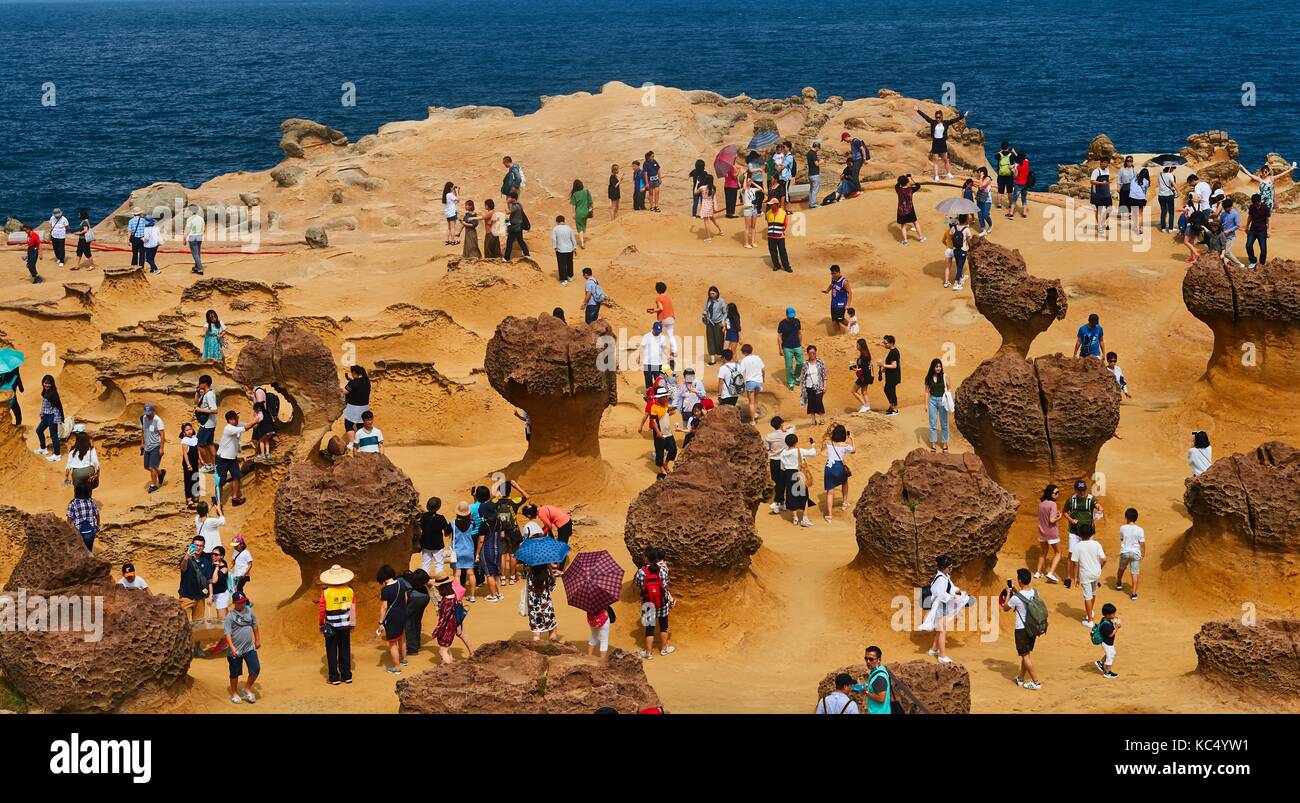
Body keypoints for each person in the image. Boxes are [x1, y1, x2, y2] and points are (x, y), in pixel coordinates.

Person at [1000, 568, 1043, 690]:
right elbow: (1024, 598)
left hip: (1021, 629)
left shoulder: (1015, 598)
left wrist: (1009, 592)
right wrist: (1015, 590)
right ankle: (1020, 678)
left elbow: (1006, 607)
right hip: (1033, 628)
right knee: (1026, 653)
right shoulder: (1035, 592)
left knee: (1025, 656)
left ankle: (1036, 682)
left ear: (1019, 580)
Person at [922, 555, 966, 663]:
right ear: (943, 567)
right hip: (940, 605)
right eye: (949, 567)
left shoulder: (945, 576)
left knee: (940, 628)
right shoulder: (941, 579)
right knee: (942, 630)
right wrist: (953, 596)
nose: (951, 569)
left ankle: (933, 650)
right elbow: (940, 594)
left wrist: (956, 591)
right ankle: (942, 656)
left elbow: (950, 587)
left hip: (943, 605)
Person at [317, 564, 355, 685]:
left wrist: (321, 623)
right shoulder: (350, 590)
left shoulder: (326, 592)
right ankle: (346, 675)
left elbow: (322, 609)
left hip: (331, 626)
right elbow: (353, 609)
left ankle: (334, 677)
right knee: (345, 650)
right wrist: (352, 624)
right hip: (345, 625)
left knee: (331, 651)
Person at [1062, 478, 1101, 589]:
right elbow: (1065, 512)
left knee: (1092, 554)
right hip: (1074, 531)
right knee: (1071, 554)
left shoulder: (1091, 499)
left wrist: (1099, 509)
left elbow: (1098, 505)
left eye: (1083, 490)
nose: (1082, 492)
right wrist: (1070, 520)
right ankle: (1068, 578)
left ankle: (1094, 578)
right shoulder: (1071, 500)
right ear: (1075, 490)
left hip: (1088, 532)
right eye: (1080, 490)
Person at [635, 548, 673, 658]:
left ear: (647, 558)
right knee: (664, 626)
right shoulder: (662, 570)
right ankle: (664, 650)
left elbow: (639, 585)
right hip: (662, 602)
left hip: (648, 603)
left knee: (649, 628)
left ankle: (648, 653)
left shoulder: (641, 571)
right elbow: (666, 585)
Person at [224, 591, 260, 704]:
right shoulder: (230, 616)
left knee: (255, 669)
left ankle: (246, 688)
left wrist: (257, 639)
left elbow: (255, 625)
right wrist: (232, 648)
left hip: (249, 648)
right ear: (234, 603)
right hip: (235, 651)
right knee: (235, 673)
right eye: (239, 603)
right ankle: (234, 693)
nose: (242, 604)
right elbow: (227, 634)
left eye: (243, 602)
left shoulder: (249, 611)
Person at [780, 433, 818, 527]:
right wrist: (813, 446)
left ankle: (795, 518)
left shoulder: (783, 453)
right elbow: (812, 453)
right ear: (796, 442)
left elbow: (783, 467)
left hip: (789, 475)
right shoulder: (798, 450)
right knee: (803, 495)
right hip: (799, 474)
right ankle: (804, 518)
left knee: (791, 495)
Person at [376, 565, 409, 674]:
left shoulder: (385, 590)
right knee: (402, 636)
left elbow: (384, 607)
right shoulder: (401, 583)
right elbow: (405, 599)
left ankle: (396, 667)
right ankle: (404, 659)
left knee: (392, 642)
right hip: (403, 614)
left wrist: (381, 622)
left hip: (392, 618)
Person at [916, 108, 965, 179]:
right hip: (935, 143)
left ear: (941, 117)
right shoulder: (933, 122)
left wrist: (963, 116)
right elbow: (925, 116)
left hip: (942, 143)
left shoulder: (945, 123)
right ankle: (936, 176)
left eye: (939, 117)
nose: (937, 119)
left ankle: (948, 173)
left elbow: (955, 120)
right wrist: (918, 110)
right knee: (935, 160)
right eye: (936, 117)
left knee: (946, 159)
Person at [1075, 522, 1106, 628]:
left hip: (1085, 575)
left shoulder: (1078, 546)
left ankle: (1090, 620)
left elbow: (1075, 563)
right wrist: (1100, 568)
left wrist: (1076, 577)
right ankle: (1090, 612)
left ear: (1080, 534)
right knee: (1093, 593)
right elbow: (1104, 559)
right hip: (1096, 573)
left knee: (1087, 597)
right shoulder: (1096, 544)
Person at [177, 534, 213, 622]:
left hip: (200, 598)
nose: (198, 548)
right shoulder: (186, 558)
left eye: (201, 546)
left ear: (203, 547)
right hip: (186, 596)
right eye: (196, 545)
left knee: (199, 625)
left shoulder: (206, 561)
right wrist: (186, 556)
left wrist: (211, 595)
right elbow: (183, 568)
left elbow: (209, 579)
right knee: (183, 623)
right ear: (192, 545)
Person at [823, 424, 854, 522]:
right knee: (844, 482)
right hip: (839, 467)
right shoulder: (845, 445)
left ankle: (829, 516)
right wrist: (852, 439)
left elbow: (825, 437)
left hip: (828, 468)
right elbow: (854, 451)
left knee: (830, 493)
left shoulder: (828, 442)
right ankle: (844, 503)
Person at [215, 410, 246, 505]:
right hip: (222, 459)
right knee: (220, 481)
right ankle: (218, 502)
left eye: (237, 418)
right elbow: (247, 427)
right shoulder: (228, 428)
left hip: (232, 459)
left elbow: (247, 425)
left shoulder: (237, 426)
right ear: (230, 420)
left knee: (237, 477)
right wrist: (255, 422)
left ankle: (235, 498)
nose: (237, 420)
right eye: (235, 418)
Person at [765, 417, 795, 513]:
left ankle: (781, 503)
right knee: (783, 482)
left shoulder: (769, 436)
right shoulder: (788, 433)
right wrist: (785, 427)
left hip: (774, 461)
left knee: (777, 482)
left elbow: (766, 449)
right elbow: (793, 426)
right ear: (781, 424)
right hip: (785, 461)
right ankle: (777, 503)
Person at [32, 374, 64, 462]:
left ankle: (57, 455)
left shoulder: (53, 394)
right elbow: (45, 404)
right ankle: (43, 448)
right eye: (45, 383)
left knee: (54, 436)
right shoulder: (45, 391)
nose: (46, 385)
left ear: (52, 384)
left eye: (48, 383)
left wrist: (58, 418)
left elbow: (58, 406)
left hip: (52, 416)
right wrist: (42, 413)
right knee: (39, 430)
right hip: (46, 416)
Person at [526, 563, 561, 643]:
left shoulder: (529, 575)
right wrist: (553, 575)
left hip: (534, 610)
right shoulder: (547, 574)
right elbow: (552, 588)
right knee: (552, 630)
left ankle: (536, 650)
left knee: (536, 633)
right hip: (547, 608)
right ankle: (553, 647)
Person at [1035, 485, 1063, 583]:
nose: (1057, 495)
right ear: (1050, 493)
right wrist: (1059, 517)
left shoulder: (1041, 504)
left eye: (1058, 492)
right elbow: (1051, 520)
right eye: (1056, 493)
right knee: (1058, 553)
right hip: (1051, 532)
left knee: (1043, 552)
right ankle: (1050, 573)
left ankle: (1038, 572)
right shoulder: (1053, 504)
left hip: (1042, 532)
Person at [450, 502, 477, 602]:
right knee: (471, 573)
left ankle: (458, 597)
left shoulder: (452, 523)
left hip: (457, 551)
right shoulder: (472, 523)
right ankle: (473, 595)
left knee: (457, 574)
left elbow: (447, 533)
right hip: (469, 550)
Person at [646, 282, 677, 367]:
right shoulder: (668, 297)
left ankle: (654, 348)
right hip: (671, 317)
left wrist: (653, 311)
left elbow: (661, 308)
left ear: (657, 290)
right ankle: (674, 350)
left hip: (663, 318)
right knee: (671, 335)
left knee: (656, 333)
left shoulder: (659, 298)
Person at [648, 386, 676, 477]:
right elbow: (653, 421)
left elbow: (666, 413)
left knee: (673, 449)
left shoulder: (666, 404)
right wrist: (658, 432)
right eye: (663, 397)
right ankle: (662, 470)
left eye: (665, 396)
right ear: (659, 398)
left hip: (667, 431)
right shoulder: (654, 407)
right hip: (659, 433)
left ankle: (666, 463)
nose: (665, 398)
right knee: (659, 451)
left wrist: (672, 411)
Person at [419, 497, 452, 574]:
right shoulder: (441, 518)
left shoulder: (423, 516)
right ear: (438, 507)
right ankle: (439, 581)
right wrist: (450, 527)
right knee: (439, 565)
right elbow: (446, 532)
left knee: (425, 564)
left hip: (425, 544)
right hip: (438, 545)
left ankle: (424, 582)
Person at [341, 364, 371, 450]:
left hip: (353, 407)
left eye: (352, 373)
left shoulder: (353, 382)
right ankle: (363, 444)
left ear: (354, 372)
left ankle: (351, 444)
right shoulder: (367, 382)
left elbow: (344, 392)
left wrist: (349, 383)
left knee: (349, 424)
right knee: (361, 426)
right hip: (364, 407)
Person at [924, 358, 951, 451]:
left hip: (942, 401)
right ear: (933, 367)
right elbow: (927, 391)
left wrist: (948, 399)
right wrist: (926, 404)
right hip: (932, 401)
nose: (938, 368)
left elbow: (949, 387)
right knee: (933, 423)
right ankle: (933, 444)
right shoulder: (928, 377)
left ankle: (945, 443)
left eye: (939, 366)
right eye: (936, 367)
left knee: (944, 423)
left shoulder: (944, 376)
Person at [403, 569, 431, 655]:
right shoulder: (421, 582)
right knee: (416, 620)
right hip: (425, 598)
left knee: (409, 623)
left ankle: (412, 649)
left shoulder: (409, 578)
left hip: (415, 599)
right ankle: (417, 644)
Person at [139, 403, 166, 493]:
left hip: (156, 446)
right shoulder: (144, 418)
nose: (148, 415)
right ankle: (160, 473)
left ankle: (153, 485)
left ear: (153, 411)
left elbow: (162, 435)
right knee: (147, 466)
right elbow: (143, 430)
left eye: (149, 413)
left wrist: (161, 448)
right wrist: (142, 443)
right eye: (147, 413)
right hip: (147, 446)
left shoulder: (158, 420)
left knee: (152, 467)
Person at [66, 481, 99, 550]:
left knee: (81, 551)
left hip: (79, 532)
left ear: (76, 492)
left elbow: (69, 520)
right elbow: (97, 516)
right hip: (91, 531)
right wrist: (97, 527)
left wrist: (68, 532)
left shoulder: (73, 503)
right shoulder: (91, 501)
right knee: (89, 550)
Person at [194, 375, 218, 472]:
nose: (199, 384)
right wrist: (197, 392)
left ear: (205, 384)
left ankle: (208, 465)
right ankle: (216, 465)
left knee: (200, 444)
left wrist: (200, 410)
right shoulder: (205, 393)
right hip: (208, 423)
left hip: (207, 424)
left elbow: (215, 410)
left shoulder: (210, 395)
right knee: (210, 444)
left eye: (200, 383)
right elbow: (196, 402)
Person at [858, 646, 891, 713]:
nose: (868, 661)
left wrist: (866, 692)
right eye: (866, 658)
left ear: (879, 660)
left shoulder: (879, 678)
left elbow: (881, 698)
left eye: (871, 659)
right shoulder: (879, 669)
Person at [778, 307, 805, 391]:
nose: (792, 318)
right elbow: (779, 337)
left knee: (801, 363)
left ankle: (796, 377)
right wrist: (780, 349)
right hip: (787, 347)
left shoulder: (797, 321)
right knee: (789, 366)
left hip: (797, 346)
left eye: (793, 316)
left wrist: (800, 344)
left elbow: (799, 333)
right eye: (790, 316)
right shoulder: (782, 323)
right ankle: (790, 381)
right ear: (787, 315)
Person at [738, 343, 765, 422]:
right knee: (755, 399)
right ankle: (755, 413)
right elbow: (763, 370)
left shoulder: (744, 360)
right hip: (759, 382)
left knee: (751, 402)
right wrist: (763, 379)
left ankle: (753, 421)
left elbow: (740, 373)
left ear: (744, 352)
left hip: (750, 382)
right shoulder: (757, 358)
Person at [700, 286, 727, 365]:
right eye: (710, 294)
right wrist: (704, 313)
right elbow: (706, 309)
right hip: (709, 323)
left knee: (719, 341)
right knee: (710, 341)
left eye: (713, 293)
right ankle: (713, 360)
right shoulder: (709, 300)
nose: (712, 295)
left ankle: (723, 357)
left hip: (718, 323)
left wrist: (723, 320)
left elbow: (725, 312)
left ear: (717, 293)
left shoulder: (721, 301)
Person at [801, 344, 827, 424]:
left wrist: (825, 385)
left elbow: (824, 374)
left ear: (815, 353)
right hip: (809, 386)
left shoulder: (820, 362)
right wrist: (803, 389)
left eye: (813, 353)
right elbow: (803, 377)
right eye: (810, 353)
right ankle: (813, 420)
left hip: (819, 386)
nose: (812, 354)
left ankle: (821, 418)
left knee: (819, 401)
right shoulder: (805, 364)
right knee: (811, 403)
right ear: (808, 354)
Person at [1093, 603, 1121, 678]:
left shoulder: (1105, 620)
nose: (1114, 615)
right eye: (1113, 614)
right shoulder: (1106, 625)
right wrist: (1117, 628)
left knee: (1112, 653)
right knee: (1110, 656)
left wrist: (1114, 624)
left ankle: (1100, 663)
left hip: (1108, 642)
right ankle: (1107, 672)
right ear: (1108, 615)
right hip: (1106, 642)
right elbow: (1110, 635)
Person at [895, 175, 924, 244]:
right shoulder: (910, 189)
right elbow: (918, 185)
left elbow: (897, 185)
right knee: (915, 222)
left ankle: (905, 241)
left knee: (903, 225)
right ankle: (921, 238)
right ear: (907, 182)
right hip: (910, 209)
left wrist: (902, 179)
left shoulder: (898, 189)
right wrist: (912, 178)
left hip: (901, 210)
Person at [765, 198, 792, 272]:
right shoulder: (768, 213)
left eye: (772, 204)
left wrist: (780, 231)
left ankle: (787, 267)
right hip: (771, 236)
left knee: (782, 251)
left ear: (777, 205)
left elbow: (785, 224)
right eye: (770, 205)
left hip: (780, 236)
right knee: (773, 251)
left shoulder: (783, 213)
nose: (770, 206)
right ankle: (776, 265)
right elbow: (768, 222)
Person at [823, 264, 852, 332]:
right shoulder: (833, 279)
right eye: (832, 273)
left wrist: (848, 305)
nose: (833, 275)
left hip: (841, 303)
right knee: (834, 320)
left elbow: (850, 292)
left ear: (839, 272)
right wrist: (827, 290)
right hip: (834, 303)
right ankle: (838, 336)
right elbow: (832, 284)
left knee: (840, 319)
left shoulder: (844, 281)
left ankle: (853, 326)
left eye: (834, 273)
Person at [639, 322, 667, 388]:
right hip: (647, 363)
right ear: (652, 329)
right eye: (656, 331)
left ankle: (658, 396)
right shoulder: (647, 336)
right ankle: (649, 396)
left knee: (659, 381)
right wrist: (641, 360)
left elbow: (664, 348)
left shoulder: (662, 338)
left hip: (658, 363)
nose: (658, 333)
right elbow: (642, 348)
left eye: (659, 332)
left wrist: (667, 356)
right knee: (648, 381)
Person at [1219, 197, 1245, 267]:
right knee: (1221, 251)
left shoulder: (1235, 214)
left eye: (1225, 208)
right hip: (1223, 236)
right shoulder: (1223, 214)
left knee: (1226, 252)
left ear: (1230, 207)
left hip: (1230, 236)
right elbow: (1220, 222)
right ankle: (1227, 263)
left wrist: (1229, 230)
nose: (1224, 209)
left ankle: (1238, 263)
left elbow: (1237, 225)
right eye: (1224, 208)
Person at [179, 421, 200, 508]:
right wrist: (188, 465)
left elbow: (198, 450)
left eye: (190, 429)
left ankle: (195, 495)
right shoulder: (185, 440)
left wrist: (201, 460)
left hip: (195, 462)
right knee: (188, 480)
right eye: (187, 430)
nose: (189, 431)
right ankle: (189, 499)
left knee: (195, 478)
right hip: (188, 462)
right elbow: (185, 454)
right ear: (184, 432)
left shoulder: (195, 438)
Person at [1246, 193, 1270, 268]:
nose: (1257, 205)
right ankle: (1253, 261)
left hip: (1262, 230)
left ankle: (1262, 263)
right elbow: (1250, 216)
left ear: (1260, 201)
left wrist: (1269, 230)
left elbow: (1268, 219)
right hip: (1253, 229)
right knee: (1248, 245)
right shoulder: (1251, 207)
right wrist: (1247, 226)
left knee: (1263, 248)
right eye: (1255, 204)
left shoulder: (1265, 207)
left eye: (1258, 203)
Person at [878, 335, 900, 416]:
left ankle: (895, 409)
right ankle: (892, 406)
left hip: (893, 376)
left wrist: (883, 365)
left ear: (891, 343)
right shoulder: (892, 351)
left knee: (889, 390)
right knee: (889, 390)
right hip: (891, 375)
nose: (884, 345)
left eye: (886, 343)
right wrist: (884, 368)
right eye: (884, 343)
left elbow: (894, 365)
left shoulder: (894, 352)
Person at [552, 214, 577, 285]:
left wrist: (555, 247)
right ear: (564, 221)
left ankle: (563, 279)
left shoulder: (555, 229)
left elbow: (554, 239)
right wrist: (575, 247)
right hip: (569, 249)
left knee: (561, 264)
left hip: (560, 249)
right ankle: (570, 276)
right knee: (569, 263)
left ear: (557, 221)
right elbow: (573, 238)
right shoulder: (569, 228)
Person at [695, 176, 722, 241]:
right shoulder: (713, 188)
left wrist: (697, 184)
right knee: (713, 220)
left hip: (705, 205)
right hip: (710, 205)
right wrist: (713, 207)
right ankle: (721, 231)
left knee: (706, 222)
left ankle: (709, 238)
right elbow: (713, 198)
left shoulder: (702, 187)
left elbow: (695, 193)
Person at [504, 194, 530, 261]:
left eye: (510, 197)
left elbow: (507, 212)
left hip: (515, 227)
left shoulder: (516, 206)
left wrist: (506, 203)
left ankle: (506, 258)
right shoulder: (518, 205)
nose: (509, 198)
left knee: (509, 242)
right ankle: (527, 254)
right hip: (518, 227)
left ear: (514, 199)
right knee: (520, 241)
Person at [851, 337, 874, 413]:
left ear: (861, 346)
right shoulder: (866, 353)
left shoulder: (864, 355)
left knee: (853, 391)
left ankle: (865, 405)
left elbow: (864, 368)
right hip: (866, 377)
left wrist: (856, 369)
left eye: (857, 345)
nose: (856, 346)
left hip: (863, 377)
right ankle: (868, 406)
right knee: (864, 392)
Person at [209, 546, 231, 620]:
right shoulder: (214, 563)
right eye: (212, 554)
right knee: (226, 617)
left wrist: (217, 567)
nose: (213, 555)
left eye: (216, 554)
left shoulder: (224, 568)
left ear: (222, 556)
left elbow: (214, 580)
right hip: (217, 594)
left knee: (221, 620)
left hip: (221, 595)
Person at [1156, 164, 1178, 232]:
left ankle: (1163, 228)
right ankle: (1170, 229)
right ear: (1170, 168)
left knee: (1163, 211)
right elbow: (1173, 184)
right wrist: (1179, 192)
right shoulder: (1170, 175)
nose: (1173, 170)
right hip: (1169, 195)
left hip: (1161, 196)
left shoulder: (1160, 175)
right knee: (1171, 212)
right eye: (1173, 169)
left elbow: (1160, 184)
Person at [1127, 168, 1150, 235]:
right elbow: (1145, 191)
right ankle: (1140, 228)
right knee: (1140, 214)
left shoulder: (1134, 178)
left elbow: (1134, 173)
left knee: (1134, 214)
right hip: (1140, 198)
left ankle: (1135, 226)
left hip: (1132, 197)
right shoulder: (1146, 181)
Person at [1009, 149, 1031, 219]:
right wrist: (1014, 152)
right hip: (1026, 184)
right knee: (1024, 198)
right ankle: (1024, 214)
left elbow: (1015, 176)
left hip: (1018, 184)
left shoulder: (1017, 166)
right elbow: (1020, 158)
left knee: (1014, 199)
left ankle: (1011, 214)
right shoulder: (1027, 162)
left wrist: (1012, 170)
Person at [183, 205, 205, 274]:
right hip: (199, 237)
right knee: (197, 253)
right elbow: (203, 229)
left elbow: (187, 230)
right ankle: (196, 267)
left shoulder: (190, 219)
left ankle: (200, 268)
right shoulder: (201, 218)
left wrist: (184, 238)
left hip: (193, 237)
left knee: (195, 254)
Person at [1116, 156, 1137, 223]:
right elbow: (1119, 179)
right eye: (1128, 161)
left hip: (1132, 187)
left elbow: (1136, 179)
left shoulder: (1134, 169)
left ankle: (1130, 214)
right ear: (1126, 161)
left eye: (1131, 161)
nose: (1129, 162)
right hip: (1124, 186)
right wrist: (1118, 187)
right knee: (1122, 200)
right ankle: (1120, 213)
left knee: (1130, 201)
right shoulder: (1122, 169)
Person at [805, 140, 822, 209]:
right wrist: (821, 161)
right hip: (815, 174)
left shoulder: (809, 153)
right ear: (817, 147)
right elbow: (816, 164)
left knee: (811, 189)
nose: (819, 150)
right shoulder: (813, 153)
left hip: (810, 174)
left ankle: (811, 203)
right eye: (819, 148)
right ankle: (813, 204)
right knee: (815, 189)